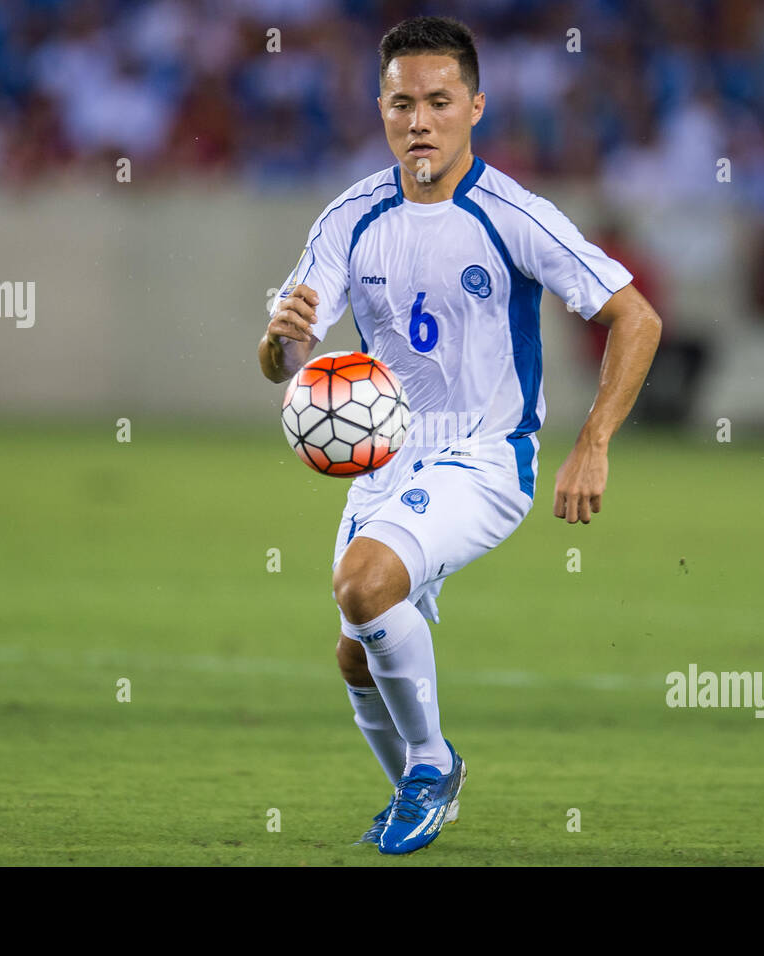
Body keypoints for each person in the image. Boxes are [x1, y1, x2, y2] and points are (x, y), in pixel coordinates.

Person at [256, 16, 661, 854]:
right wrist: (278, 343)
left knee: (364, 585)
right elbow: (287, 358)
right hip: (384, 460)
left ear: (476, 106)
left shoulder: (514, 215)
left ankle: (433, 767)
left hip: (483, 457)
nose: (420, 122)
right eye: (402, 104)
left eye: (439, 102)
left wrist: (593, 442)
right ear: (380, 109)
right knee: (357, 654)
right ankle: (414, 788)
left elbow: (636, 317)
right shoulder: (350, 217)